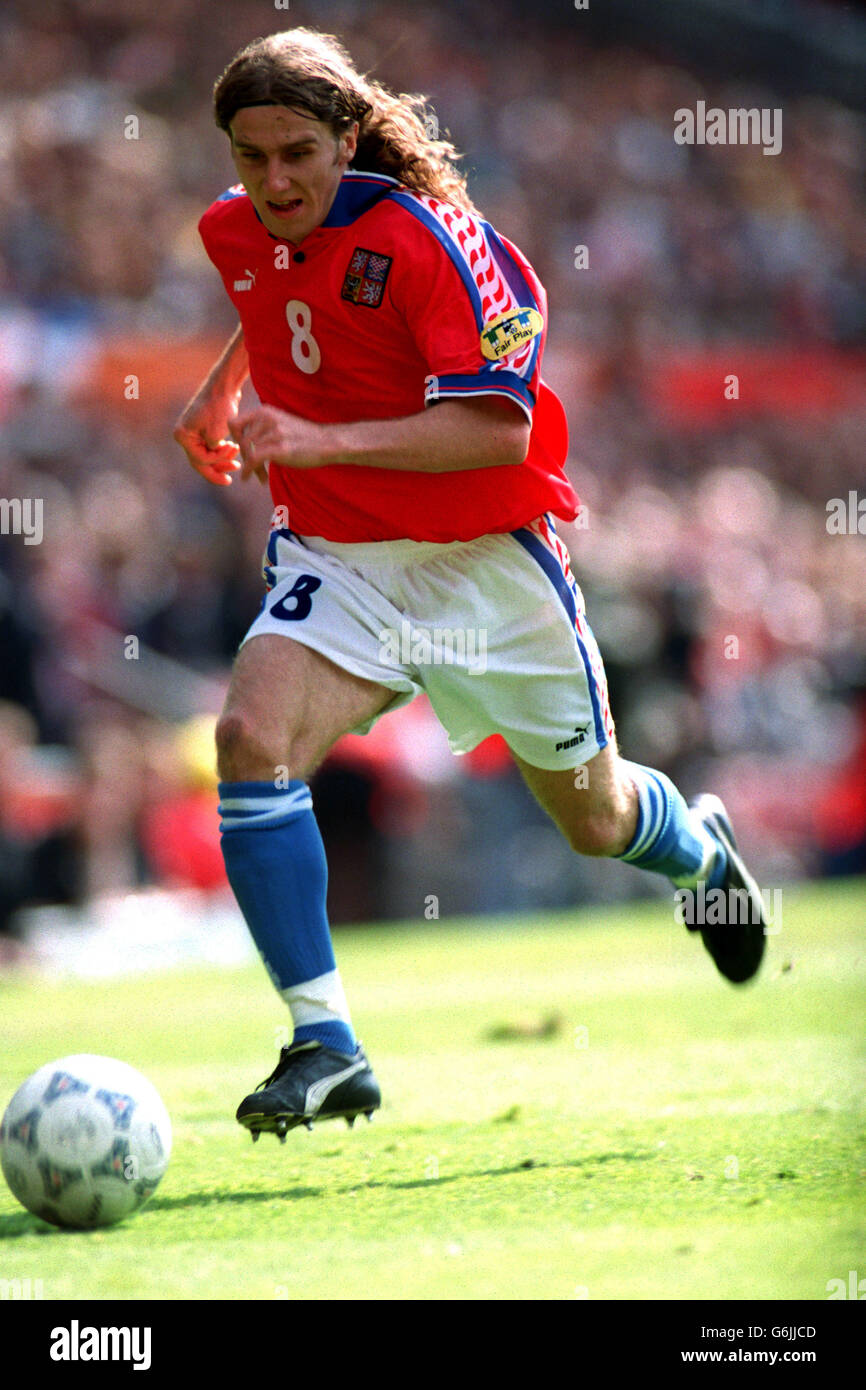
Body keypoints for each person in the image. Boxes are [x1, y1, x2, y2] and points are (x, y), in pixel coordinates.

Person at [174, 27, 766, 1144]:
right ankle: (325, 1043)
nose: (272, 182)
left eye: (297, 153)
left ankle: (698, 853)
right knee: (250, 739)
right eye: (250, 159)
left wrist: (315, 435)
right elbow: (274, 300)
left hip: (485, 566)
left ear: (347, 138)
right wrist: (221, 390)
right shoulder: (229, 228)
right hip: (338, 557)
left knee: (592, 820)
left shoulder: (437, 242)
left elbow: (492, 433)